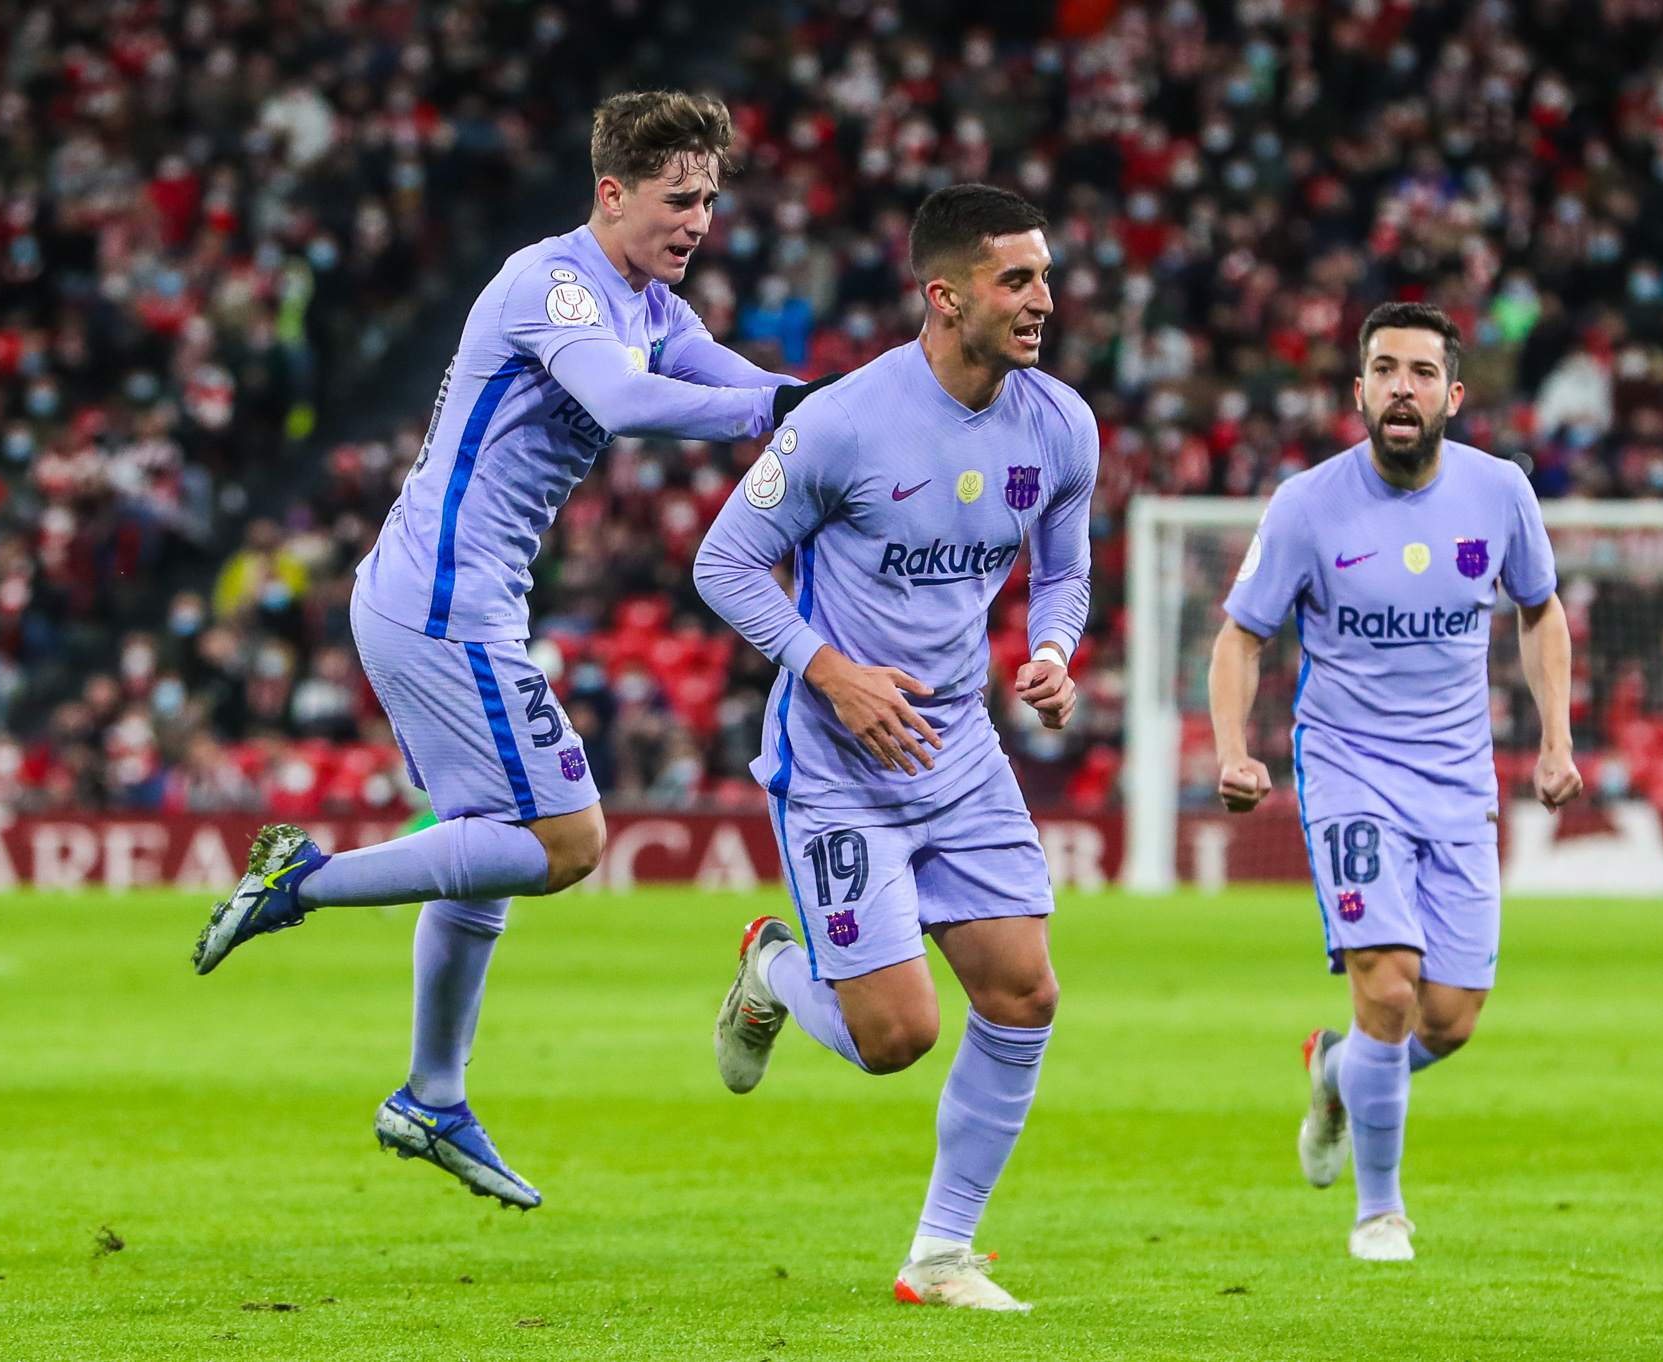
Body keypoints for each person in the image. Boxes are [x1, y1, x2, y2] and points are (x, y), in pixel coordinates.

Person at [190, 90, 840, 1209]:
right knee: (568, 842)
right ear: (612, 192)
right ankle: (305, 881)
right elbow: (628, 402)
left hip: (434, 596)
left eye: (708, 201)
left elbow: (730, 375)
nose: (697, 221)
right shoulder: (555, 283)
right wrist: (777, 413)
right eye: (677, 199)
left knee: (489, 848)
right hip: (446, 604)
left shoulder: (650, 303)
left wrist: (832, 406)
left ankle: (431, 1097)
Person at [693, 183, 1096, 1311]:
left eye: (1046, 277)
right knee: (895, 1037)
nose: (1042, 300)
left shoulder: (1060, 424)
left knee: (1023, 995)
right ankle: (772, 969)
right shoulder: (841, 422)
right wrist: (828, 670)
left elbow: (1063, 567)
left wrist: (1051, 649)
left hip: (959, 747)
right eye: (1016, 280)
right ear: (945, 296)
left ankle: (941, 1254)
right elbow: (722, 563)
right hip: (837, 767)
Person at [1207, 302, 1582, 1262]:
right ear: (1359, 391)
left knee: (1447, 1019)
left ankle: (1340, 1072)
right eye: (1384, 370)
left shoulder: (1500, 493)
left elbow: (1541, 612)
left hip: (1457, 779)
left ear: (1453, 395)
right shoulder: (1306, 506)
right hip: (1349, 770)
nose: (1401, 388)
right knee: (1387, 984)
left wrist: (1556, 739)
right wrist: (1232, 748)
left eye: (1420, 372)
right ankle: (1381, 1212)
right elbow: (1241, 636)